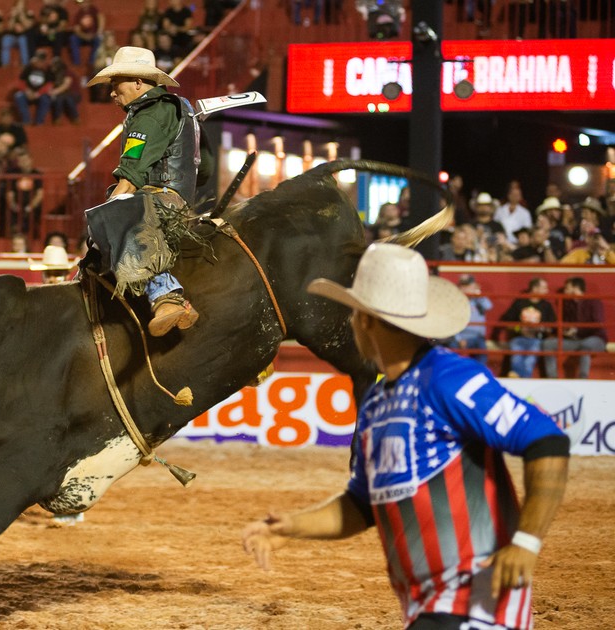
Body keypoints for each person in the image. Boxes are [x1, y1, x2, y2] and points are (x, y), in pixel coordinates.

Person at [242, 242, 570, 630]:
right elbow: (363, 505)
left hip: (476, 605)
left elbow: (547, 442)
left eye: (352, 314)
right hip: (436, 610)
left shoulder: (447, 379)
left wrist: (527, 543)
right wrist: (292, 527)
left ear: (365, 320)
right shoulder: (379, 402)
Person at [84, 45, 201, 336]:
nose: (112, 92)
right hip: (174, 197)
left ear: (138, 83)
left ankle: (166, 296)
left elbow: (130, 178)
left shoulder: (149, 116)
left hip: (160, 199)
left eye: (116, 84)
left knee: (114, 218)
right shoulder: (173, 107)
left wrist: (103, 217)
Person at [542, 276, 607, 379]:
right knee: (548, 344)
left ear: (576, 288)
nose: (565, 291)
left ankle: (582, 379)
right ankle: (552, 378)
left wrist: (577, 330)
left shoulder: (593, 302)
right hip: (574, 340)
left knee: (586, 346)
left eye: (567, 288)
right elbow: (565, 323)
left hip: (595, 339)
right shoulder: (568, 304)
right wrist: (563, 330)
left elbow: (597, 325)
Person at [497, 277, 556, 378]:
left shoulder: (546, 306)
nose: (547, 290)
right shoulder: (520, 303)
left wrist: (540, 329)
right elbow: (508, 322)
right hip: (518, 337)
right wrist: (519, 329)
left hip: (537, 339)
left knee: (530, 359)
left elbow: (553, 327)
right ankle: (520, 378)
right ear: (534, 288)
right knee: (516, 357)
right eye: (544, 288)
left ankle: (520, 378)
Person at [448, 273, 493, 365]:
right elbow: (452, 322)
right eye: (463, 286)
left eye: (468, 286)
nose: (466, 289)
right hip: (462, 336)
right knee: (452, 348)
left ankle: (480, 372)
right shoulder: (456, 302)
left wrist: (478, 294)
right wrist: (459, 338)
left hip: (478, 336)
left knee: (482, 353)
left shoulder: (479, 300)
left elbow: (489, 306)